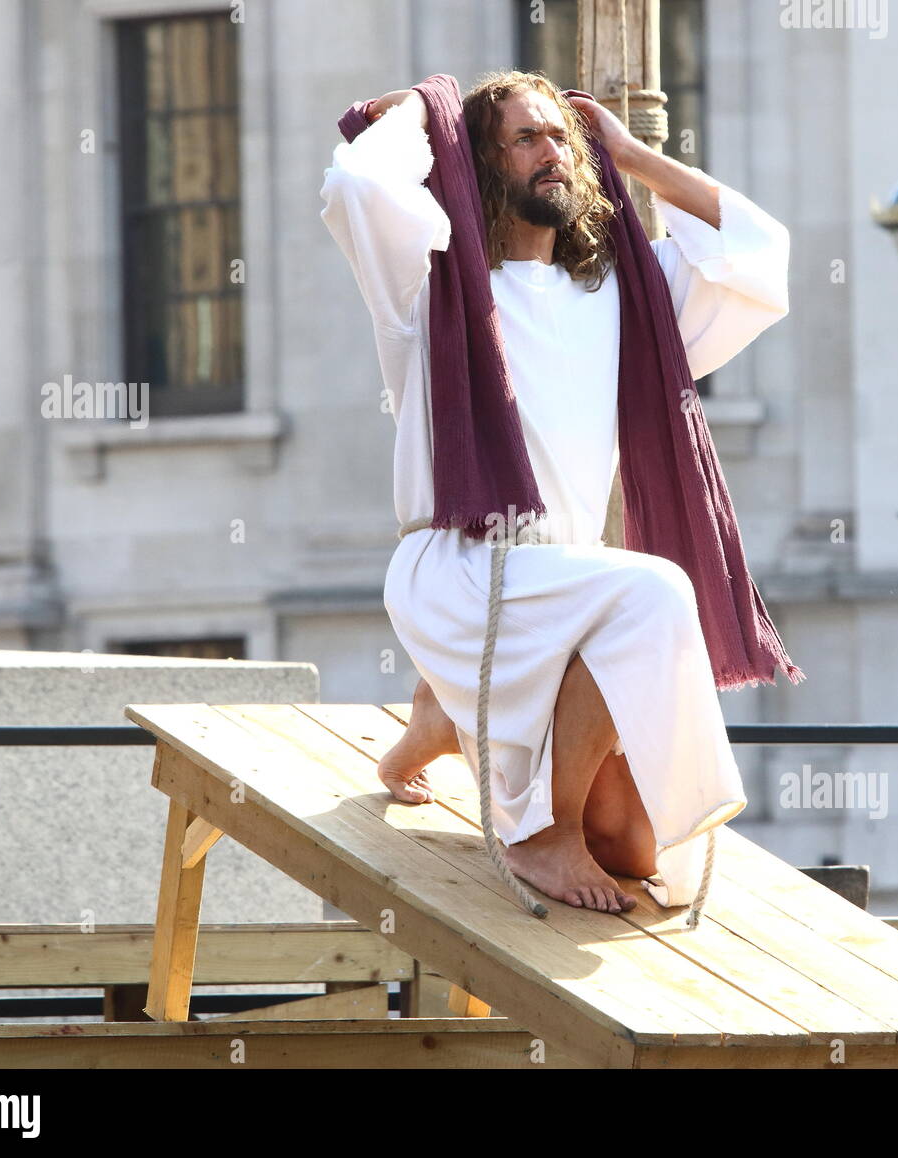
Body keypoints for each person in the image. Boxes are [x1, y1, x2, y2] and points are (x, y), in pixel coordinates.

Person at [320, 69, 792, 917]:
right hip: (461, 573)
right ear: (478, 164)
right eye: (526, 138)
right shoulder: (432, 287)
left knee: (637, 847)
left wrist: (632, 154)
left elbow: (761, 256)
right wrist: (424, 115)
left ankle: (439, 719)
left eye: (560, 138)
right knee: (652, 589)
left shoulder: (623, 296)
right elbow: (357, 182)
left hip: (563, 590)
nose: (552, 153)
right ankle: (539, 830)